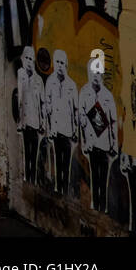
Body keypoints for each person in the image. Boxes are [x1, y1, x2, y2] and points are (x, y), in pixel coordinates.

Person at [78, 57, 118, 213]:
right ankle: (96, 204)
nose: (96, 76)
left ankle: (103, 205)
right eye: (93, 72)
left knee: (104, 177)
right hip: (92, 144)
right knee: (94, 175)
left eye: (98, 73)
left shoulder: (108, 96)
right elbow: (81, 118)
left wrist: (114, 144)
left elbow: (113, 121)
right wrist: (84, 141)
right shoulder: (84, 93)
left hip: (105, 144)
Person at [44, 49, 80, 196]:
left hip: (68, 130)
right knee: (58, 160)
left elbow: (76, 110)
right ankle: (59, 187)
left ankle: (65, 188)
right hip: (56, 129)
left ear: (66, 65)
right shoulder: (50, 82)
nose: (59, 65)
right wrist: (49, 127)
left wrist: (76, 131)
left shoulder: (72, 85)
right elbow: (47, 107)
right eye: (57, 62)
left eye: (62, 63)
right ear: (54, 63)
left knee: (67, 163)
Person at [16, 46, 43, 184]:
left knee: (34, 153)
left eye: (31, 59)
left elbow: (42, 103)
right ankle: (28, 177)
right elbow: (19, 98)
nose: (28, 61)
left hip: (35, 123)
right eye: (26, 58)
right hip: (25, 123)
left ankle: (32, 178)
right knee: (27, 152)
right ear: (22, 59)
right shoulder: (20, 75)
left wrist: (43, 124)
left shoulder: (38, 80)